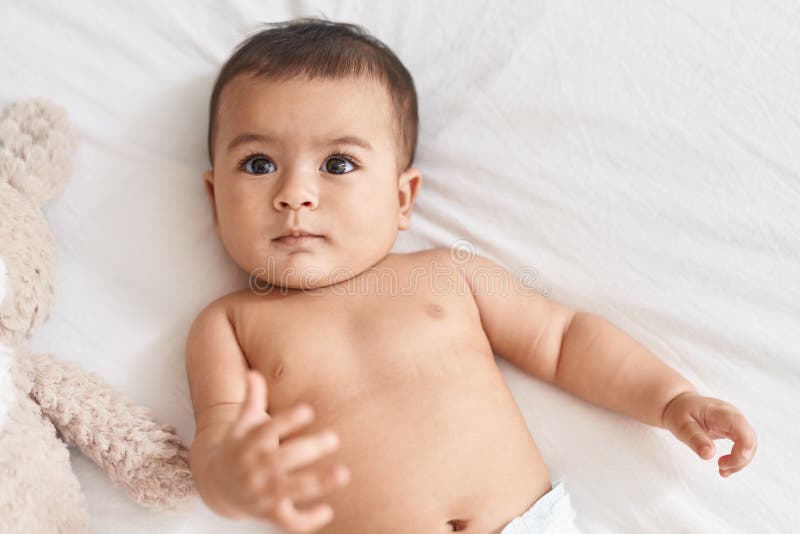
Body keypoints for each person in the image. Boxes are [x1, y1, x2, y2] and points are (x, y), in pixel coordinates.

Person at [185, 17, 757, 534]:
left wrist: (669, 398)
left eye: (338, 164)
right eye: (258, 164)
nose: (295, 194)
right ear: (215, 199)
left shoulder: (450, 274)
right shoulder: (229, 324)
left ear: (402, 197)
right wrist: (232, 479)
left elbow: (564, 340)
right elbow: (217, 439)